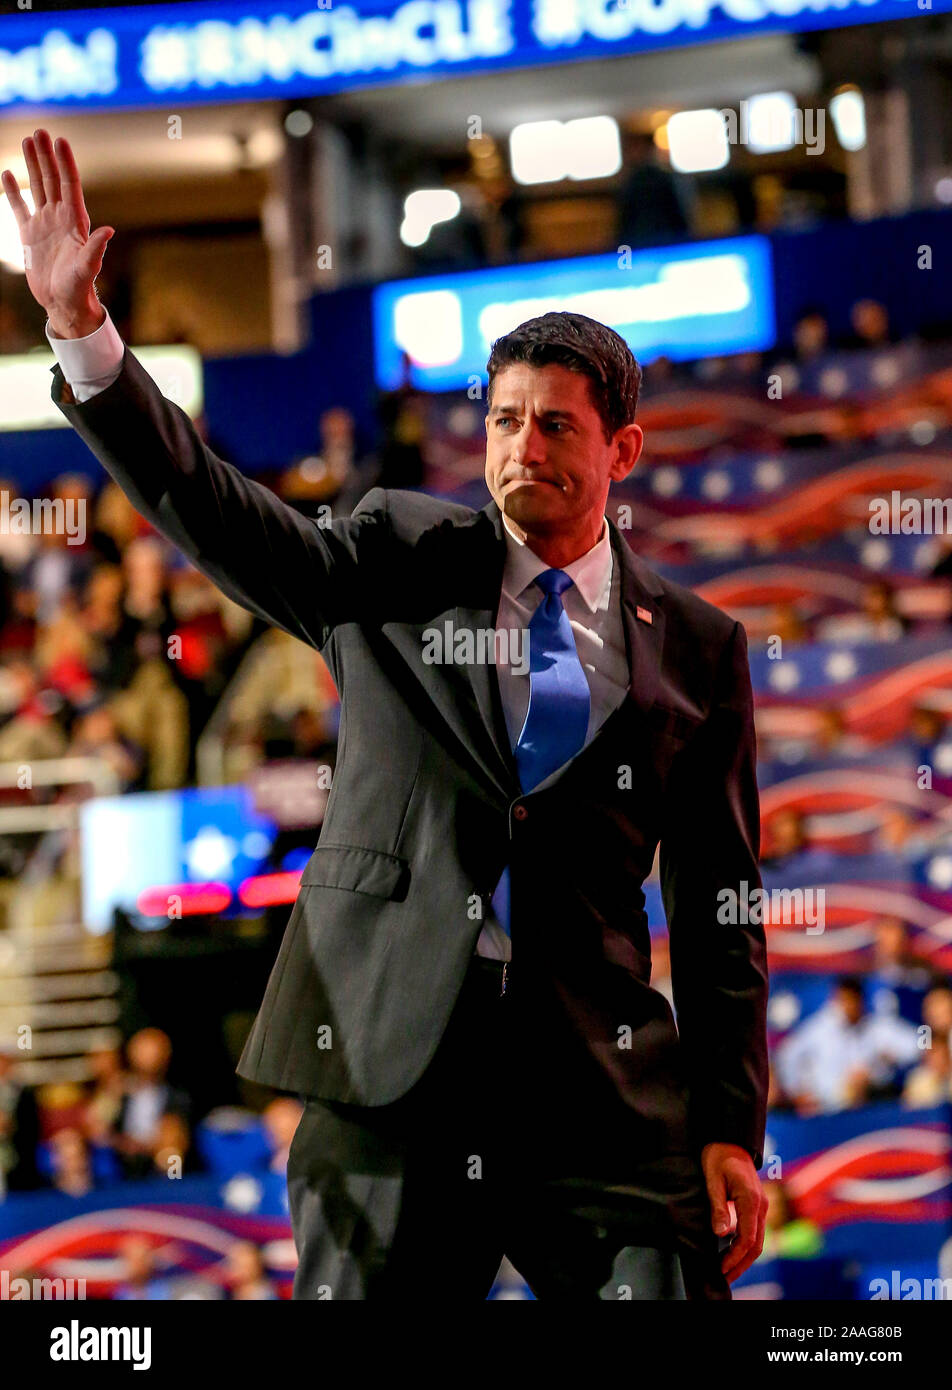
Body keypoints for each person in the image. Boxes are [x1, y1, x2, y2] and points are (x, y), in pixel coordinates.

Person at [4, 129, 769, 1301]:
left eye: (556, 424)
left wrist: (730, 1121)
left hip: (598, 1092)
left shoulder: (703, 648)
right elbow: (219, 512)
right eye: (505, 419)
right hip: (387, 1074)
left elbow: (721, 910)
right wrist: (86, 342)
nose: (523, 447)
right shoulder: (400, 554)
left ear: (622, 446)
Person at [775, 977, 921, 1115]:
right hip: (824, 1110)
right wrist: (796, 1092)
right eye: (843, 1000)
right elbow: (787, 1054)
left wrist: (891, 1059)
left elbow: (921, 1039)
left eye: (852, 1001)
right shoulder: (819, 1028)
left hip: (867, 1105)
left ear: (861, 1001)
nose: (847, 1007)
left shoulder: (876, 1027)